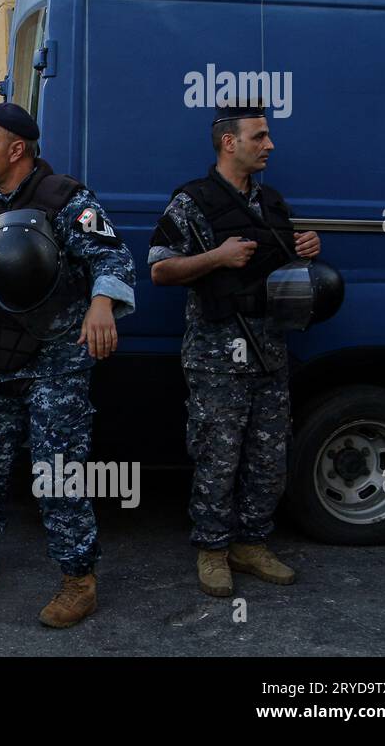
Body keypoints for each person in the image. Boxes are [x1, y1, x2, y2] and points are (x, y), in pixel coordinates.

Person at [0, 102, 136, 628]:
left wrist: (102, 304)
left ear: (16, 150)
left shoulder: (66, 199)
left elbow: (113, 258)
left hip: (56, 358)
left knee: (57, 472)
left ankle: (78, 579)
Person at [148, 104, 320, 598]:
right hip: (217, 351)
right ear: (229, 142)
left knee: (268, 454)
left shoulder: (272, 204)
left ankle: (252, 543)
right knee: (217, 453)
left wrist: (307, 245)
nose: (269, 145)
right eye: (260, 136)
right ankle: (212, 549)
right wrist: (216, 257)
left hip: (269, 346)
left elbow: (285, 266)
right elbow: (159, 269)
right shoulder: (192, 202)